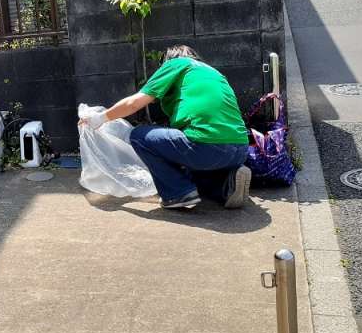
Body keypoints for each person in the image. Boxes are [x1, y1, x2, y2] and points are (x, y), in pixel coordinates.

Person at [79, 45, 251, 210]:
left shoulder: (176, 64)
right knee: (191, 171)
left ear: (168, 60)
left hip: (206, 147)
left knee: (139, 136)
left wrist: (100, 118)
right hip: (240, 149)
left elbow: (133, 103)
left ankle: (177, 194)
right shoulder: (213, 72)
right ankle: (228, 185)